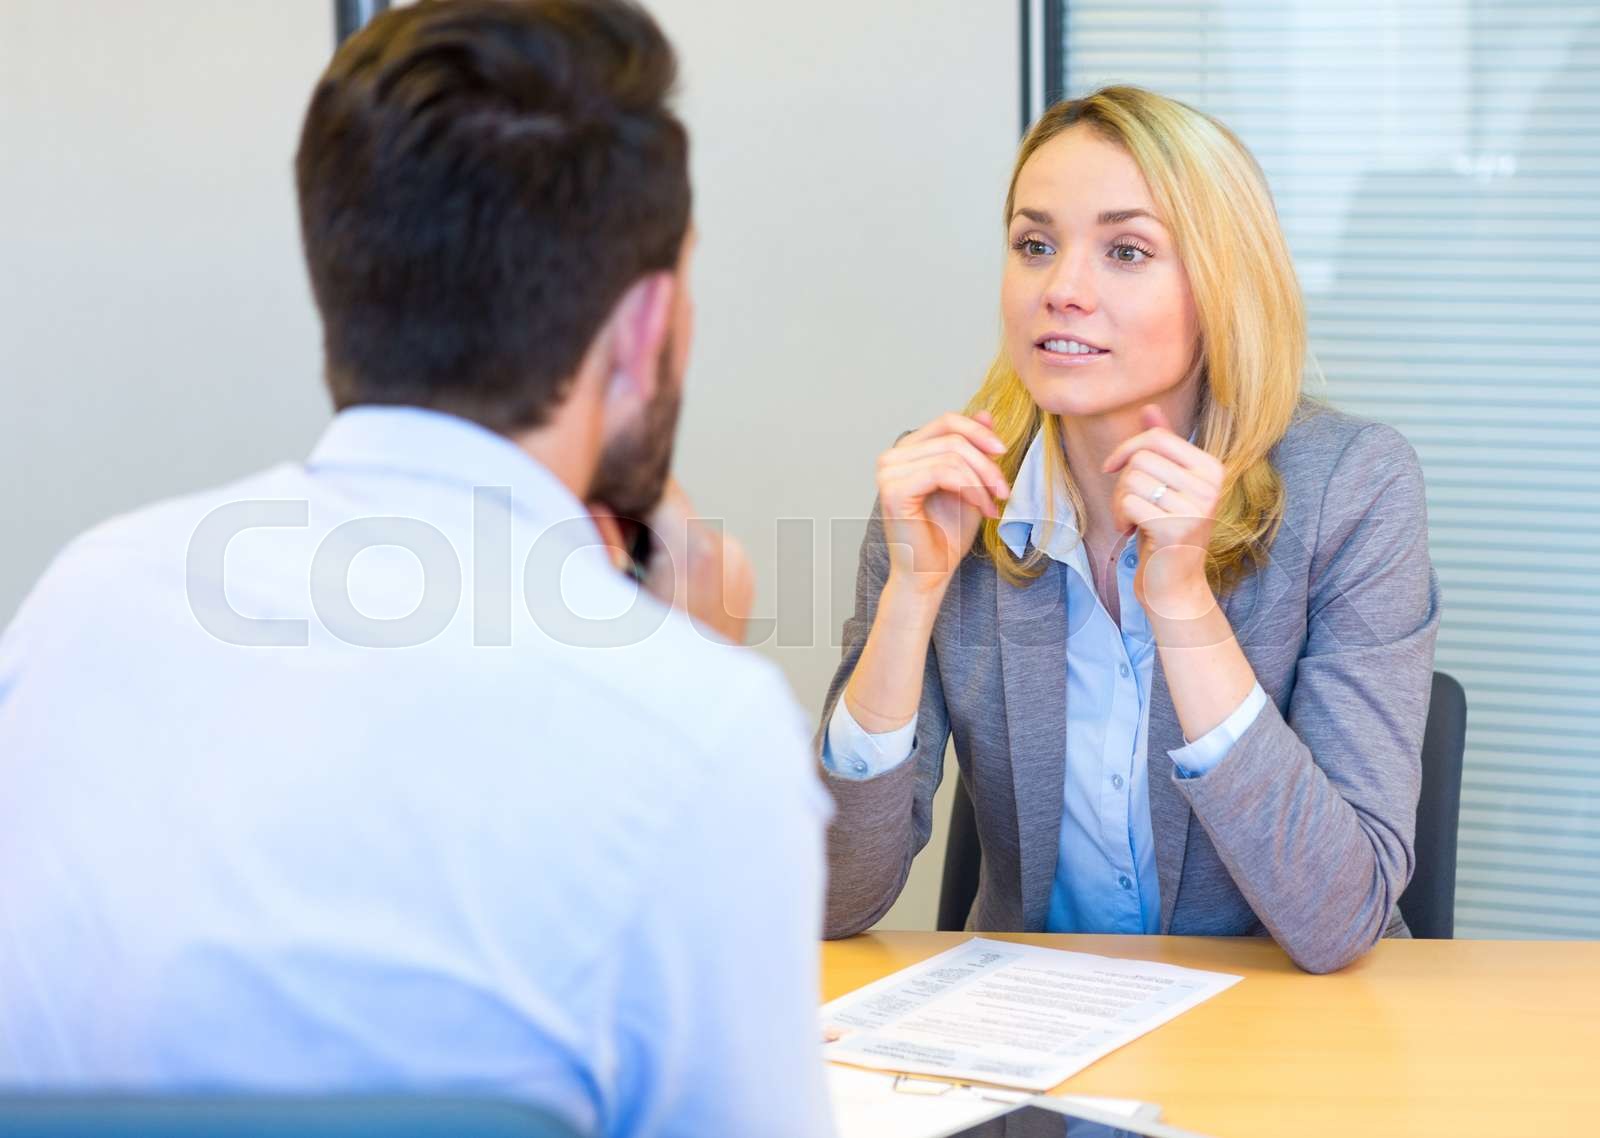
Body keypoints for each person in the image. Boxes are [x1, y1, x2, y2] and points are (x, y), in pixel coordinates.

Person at [0, 3, 835, 1135]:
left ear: (345, 274)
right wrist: (682, 663)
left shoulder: (83, 605)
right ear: (645, 331)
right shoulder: (698, 730)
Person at [819, 86, 1440, 975]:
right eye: (1035, 245)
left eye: (1126, 250)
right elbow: (834, 897)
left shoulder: (1352, 489)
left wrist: (1183, 604)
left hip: (1282, 1048)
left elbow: (1340, 919)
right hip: (1038, 1051)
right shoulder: (948, 492)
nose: (1062, 290)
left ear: (1221, 288)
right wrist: (911, 597)